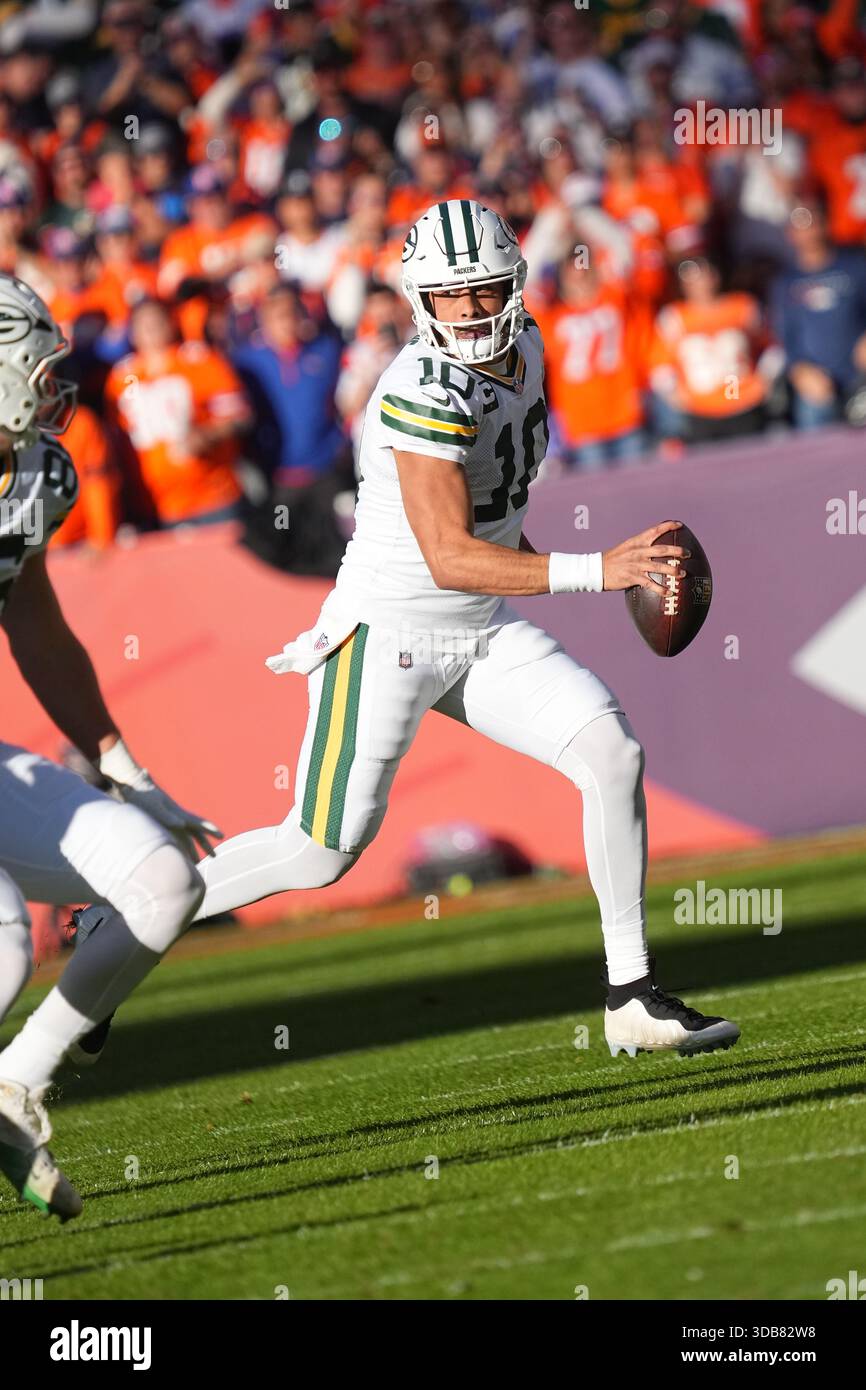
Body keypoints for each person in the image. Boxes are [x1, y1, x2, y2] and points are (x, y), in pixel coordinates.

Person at [73, 201, 740, 1080]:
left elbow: (493, 532)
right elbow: (449, 554)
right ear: (421, 298)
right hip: (388, 634)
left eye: (482, 289)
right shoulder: (421, 386)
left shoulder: (529, 350)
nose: (466, 308)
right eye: (448, 294)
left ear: (514, 284)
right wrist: (600, 570)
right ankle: (119, 913)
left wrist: (577, 570)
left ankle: (631, 996)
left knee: (610, 752)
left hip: (477, 625)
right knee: (317, 851)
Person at [0, 274, 220, 1221]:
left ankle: (17, 1081)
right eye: (31, 363)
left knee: (162, 880)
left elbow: (38, 627)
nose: (51, 382)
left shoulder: (38, 474)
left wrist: (128, 770)